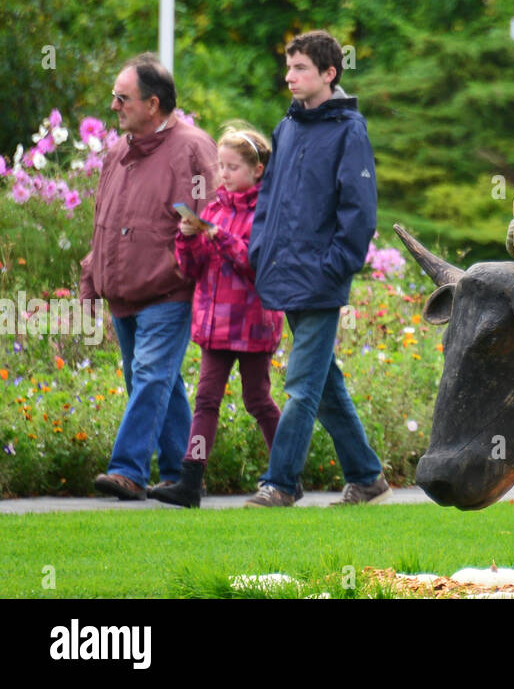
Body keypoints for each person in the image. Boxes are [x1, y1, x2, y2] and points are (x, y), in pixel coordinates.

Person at [245, 30, 389, 506]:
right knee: (324, 384)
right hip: (284, 274)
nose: (290, 76)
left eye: (300, 68)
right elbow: (266, 200)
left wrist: (336, 266)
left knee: (301, 385)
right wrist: (258, 249)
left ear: (329, 74)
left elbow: (360, 209)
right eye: (288, 68)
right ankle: (367, 477)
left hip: (322, 280)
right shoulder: (286, 128)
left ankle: (280, 484)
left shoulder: (350, 130)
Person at [81, 55, 219, 499]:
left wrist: (189, 266)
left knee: (151, 376)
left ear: (153, 104)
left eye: (123, 98)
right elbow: (101, 223)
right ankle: (185, 476)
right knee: (159, 381)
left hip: (168, 291)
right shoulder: (118, 152)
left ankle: (128, 471)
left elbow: (212, 218)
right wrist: (90, 282)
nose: (114, 106)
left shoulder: (193, 147)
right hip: (122, 292)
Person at [155, 125, 283, 508]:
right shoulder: (213, 209)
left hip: (252, 323)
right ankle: (190, 480)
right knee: (206, 400)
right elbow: (191, 270)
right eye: (221, 167)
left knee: (257, 399)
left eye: (233, 168)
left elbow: (256, 264)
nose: (224, 175)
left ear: (257, 170)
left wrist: (219, 237)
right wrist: (188, 237)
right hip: (214, 326)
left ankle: (285, 470)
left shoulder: (266, 212)